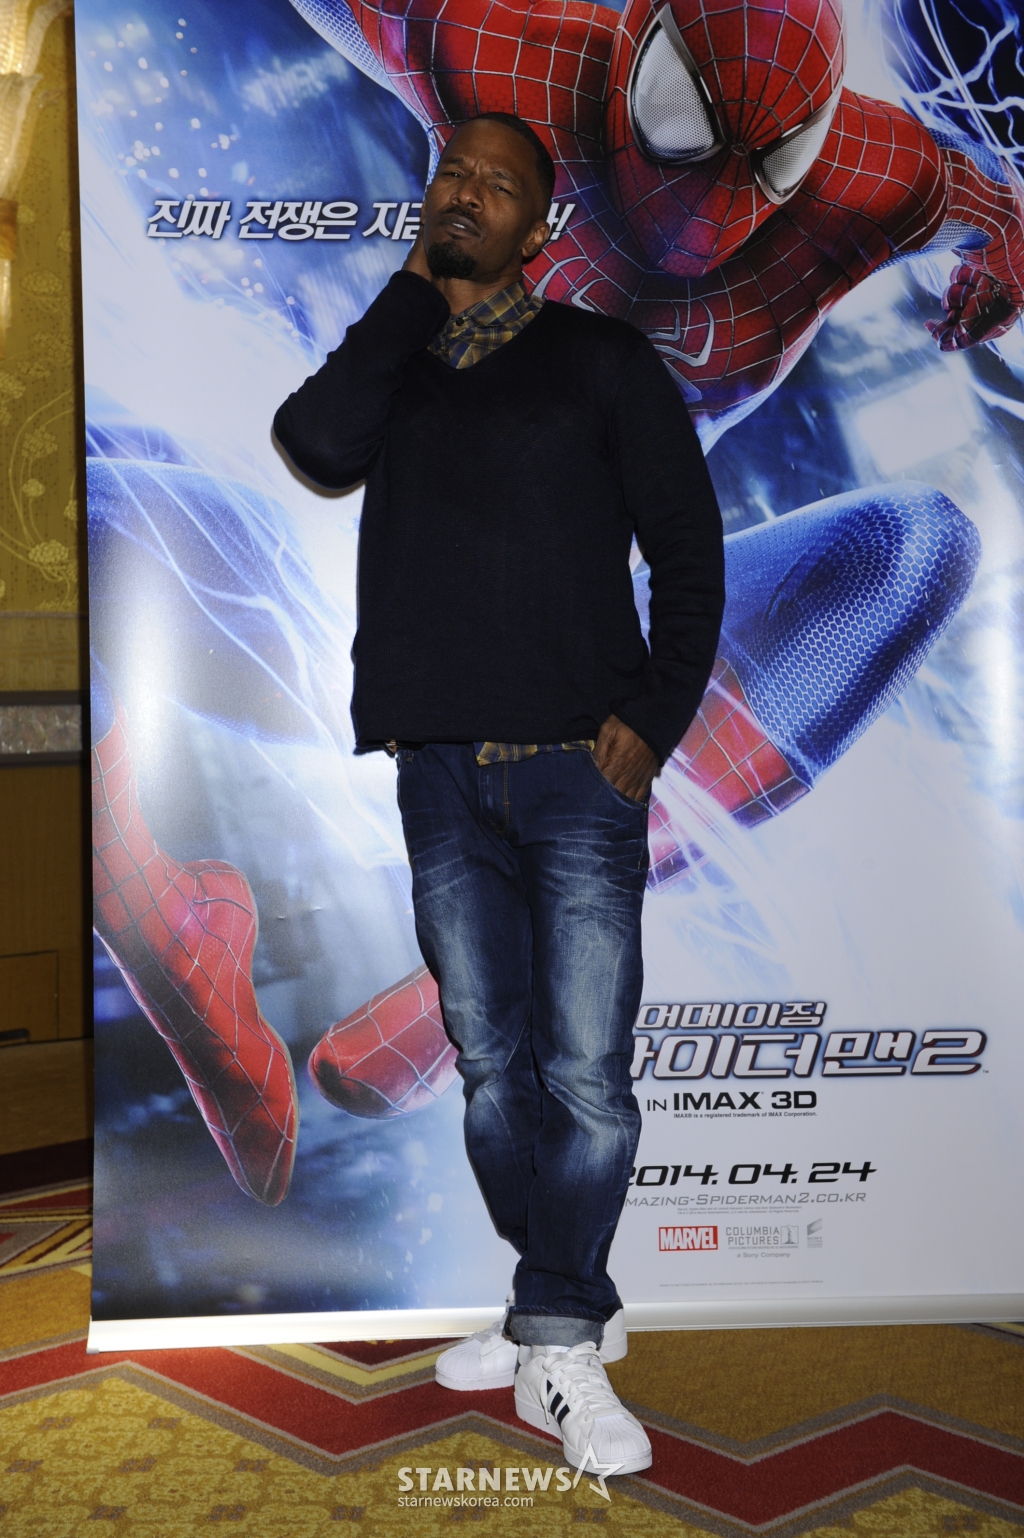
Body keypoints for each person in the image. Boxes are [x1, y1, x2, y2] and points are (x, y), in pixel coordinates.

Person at [274, 111, 725, 1476]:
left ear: (542, 226)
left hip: (580, 776)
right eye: (450, 177)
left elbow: (690, 551)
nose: (466, 192)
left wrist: (655, 716)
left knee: (584, 1072)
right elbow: (314, 441)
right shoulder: (396, 364)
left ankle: (561, 1336)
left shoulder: (601, 360)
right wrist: (413, 292)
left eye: (499, 185)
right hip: (438, 774)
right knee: (486, 1070)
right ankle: (555, 1306)